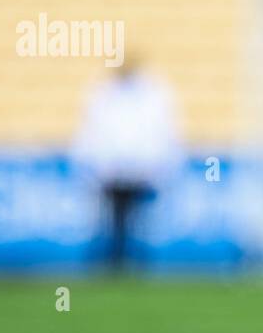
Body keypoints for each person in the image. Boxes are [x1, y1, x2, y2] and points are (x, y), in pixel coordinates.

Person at [70, 57, 182, 271]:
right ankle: (112, 262)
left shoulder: (153, 93)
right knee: (111, 220)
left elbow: (165, 132)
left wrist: (161, 166)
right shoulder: (103, 93)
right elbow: (90, 132)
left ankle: (135, 263)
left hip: (141, 171)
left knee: (139, 222)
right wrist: (93, 167)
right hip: (111, 172)